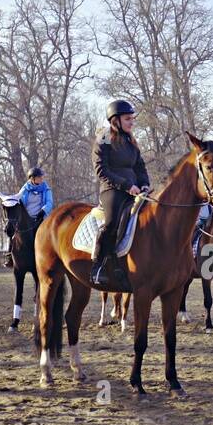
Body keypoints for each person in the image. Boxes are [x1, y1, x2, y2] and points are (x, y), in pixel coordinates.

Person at [91, 100, 151, 288]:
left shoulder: (131, 140)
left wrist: (144, 184)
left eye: (132, 119)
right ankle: (98, 265)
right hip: (112, 190)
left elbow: (140, 167)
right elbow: (101, 169)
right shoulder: (104, 137)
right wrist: (126, 185)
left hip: (134, 190)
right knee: (111, 223)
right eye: (127, 119)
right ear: (115, 120)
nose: (131, 122)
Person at [3, 167, 54, 268]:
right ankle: (9, 256)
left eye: (41, 177)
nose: (41, 178)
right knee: (13, 232)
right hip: (26, 219)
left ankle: (52, 256)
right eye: (39, 177)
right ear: (32, 178)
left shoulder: (46, 189)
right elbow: (19, 202)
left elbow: (49, 202)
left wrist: (43, 211)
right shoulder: (24, 189)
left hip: (41, 217)